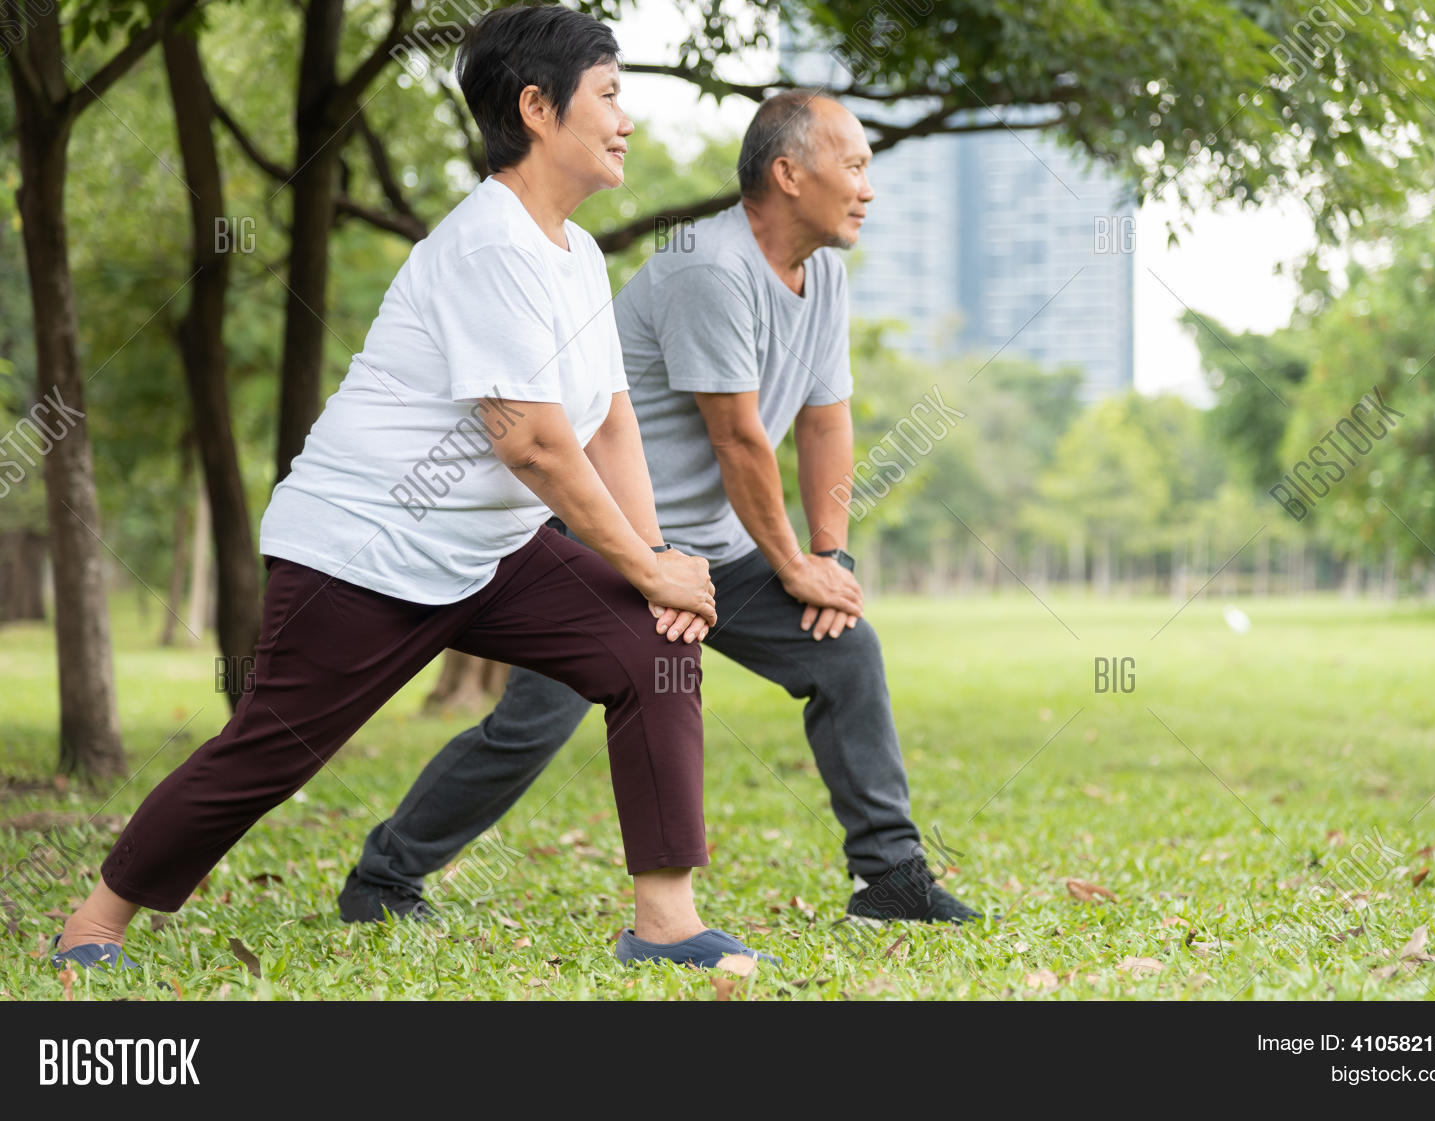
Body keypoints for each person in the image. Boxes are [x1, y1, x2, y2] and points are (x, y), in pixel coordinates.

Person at [50, 4, 769, 974]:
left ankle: (667, 924)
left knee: (656, 645)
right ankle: (92, 924)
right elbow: (534, 443)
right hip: (363, 547)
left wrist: (658, 572)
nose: (626, 119)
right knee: (270, 750)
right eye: (609, 95)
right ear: (537, 108)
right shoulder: (488, 245)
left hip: (489, 550)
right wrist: (648, 561)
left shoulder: (578, 254)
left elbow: (608, 425)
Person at [339, 90, 981, 930]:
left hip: (720, 548)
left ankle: (890, 878)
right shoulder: (710, 268)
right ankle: (384, 877)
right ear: (789, 174)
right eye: (854, 167)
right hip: (614, 541)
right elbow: (740, 440)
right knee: (536, 722)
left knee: (845, 653)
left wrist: (832, 558)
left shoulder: (821, 272)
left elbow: (826, 417)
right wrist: (793, 565)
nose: (868, 188)